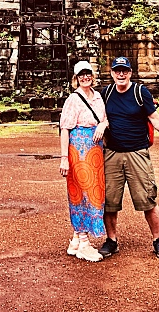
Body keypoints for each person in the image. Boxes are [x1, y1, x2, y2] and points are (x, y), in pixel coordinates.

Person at [99, 55, 159, 260]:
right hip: (112, 155)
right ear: (112, 73)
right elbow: (100, 118)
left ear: (130, 73)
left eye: (124, 70)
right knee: (109, 200)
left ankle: (157, 239)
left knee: (147, 198)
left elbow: (155, 119)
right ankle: (111, 240)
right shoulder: (106, 93)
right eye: (117, 70)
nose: (121, 74)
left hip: (137, 153)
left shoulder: (139, 92)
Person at [58, 60, 109, 262]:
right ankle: (84, 242)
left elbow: (105, 118)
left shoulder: (98, 97)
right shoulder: (73, 99)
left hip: (95, 150)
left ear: (92, 75)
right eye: (81, 75)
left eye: (88, 74)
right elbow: (65, 128)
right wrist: (64, 158)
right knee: (82, 191)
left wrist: (102, 125)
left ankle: (76, 240)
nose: (85, 77)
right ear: (76, 78)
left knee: (94, 190)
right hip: (77, 149)